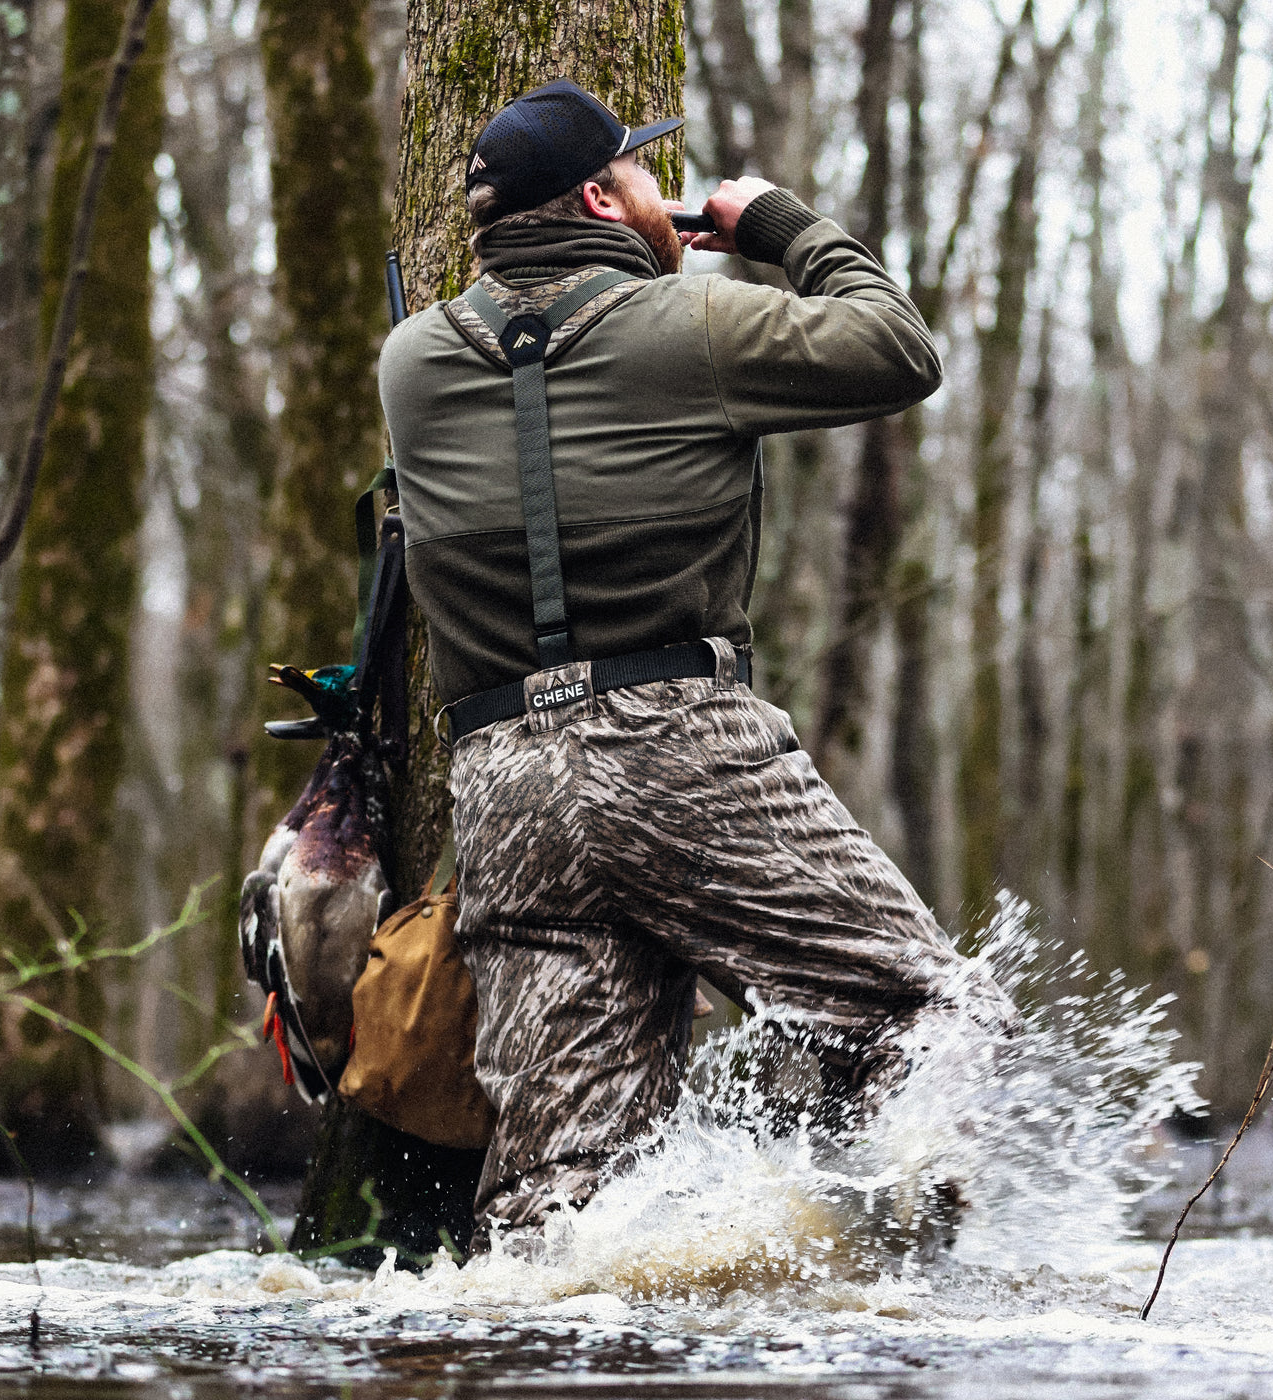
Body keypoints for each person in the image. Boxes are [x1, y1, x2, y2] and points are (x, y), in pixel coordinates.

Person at [379, 77, 1013, 1248]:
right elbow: (898, 348)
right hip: (672, 740)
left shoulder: (410, 361)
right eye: (637, 174)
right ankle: (877, 1270)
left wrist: (656, 240)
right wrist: (770, 224)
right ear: (599, 198)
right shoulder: (693, 329)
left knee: (562, 1187)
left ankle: (546, 1335)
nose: (658, 192)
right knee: (935, 1011)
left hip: (505, 786)